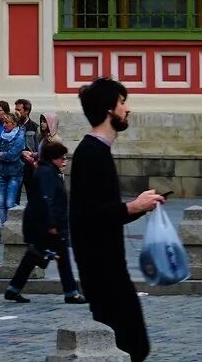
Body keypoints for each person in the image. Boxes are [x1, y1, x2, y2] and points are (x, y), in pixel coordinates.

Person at [69, 77, 165, 361]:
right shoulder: (91, 153)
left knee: (129, 344)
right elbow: (87, 217)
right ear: (110, 110)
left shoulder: (98, 151)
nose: (128, 109)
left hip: (109, 265)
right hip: (101, 269)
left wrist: (140, 207)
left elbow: (103, 211)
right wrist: (134, 206)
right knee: (130, 345)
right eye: (123, 102)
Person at [4, 137, 82, 304]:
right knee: (60, 257)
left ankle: (13, 288)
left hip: (42, 223)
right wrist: (52, 224)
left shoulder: (48, 171)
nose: (64, 160)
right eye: (62, 157)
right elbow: (46, 199)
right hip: (46, 224)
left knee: (34, 256)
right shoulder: (47, 172)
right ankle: (71, 293)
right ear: (54, 158)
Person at [0, 101, 28, 228]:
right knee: (2, 203)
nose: (4, 125)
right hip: (3, 173)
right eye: (4, 122)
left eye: (6, 123)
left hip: (15, 174)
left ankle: (14, 227)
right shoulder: (2, 136)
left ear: (14, 124)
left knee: (10, 202)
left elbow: (12, 155)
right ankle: (5, 230)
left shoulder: (19, 137)